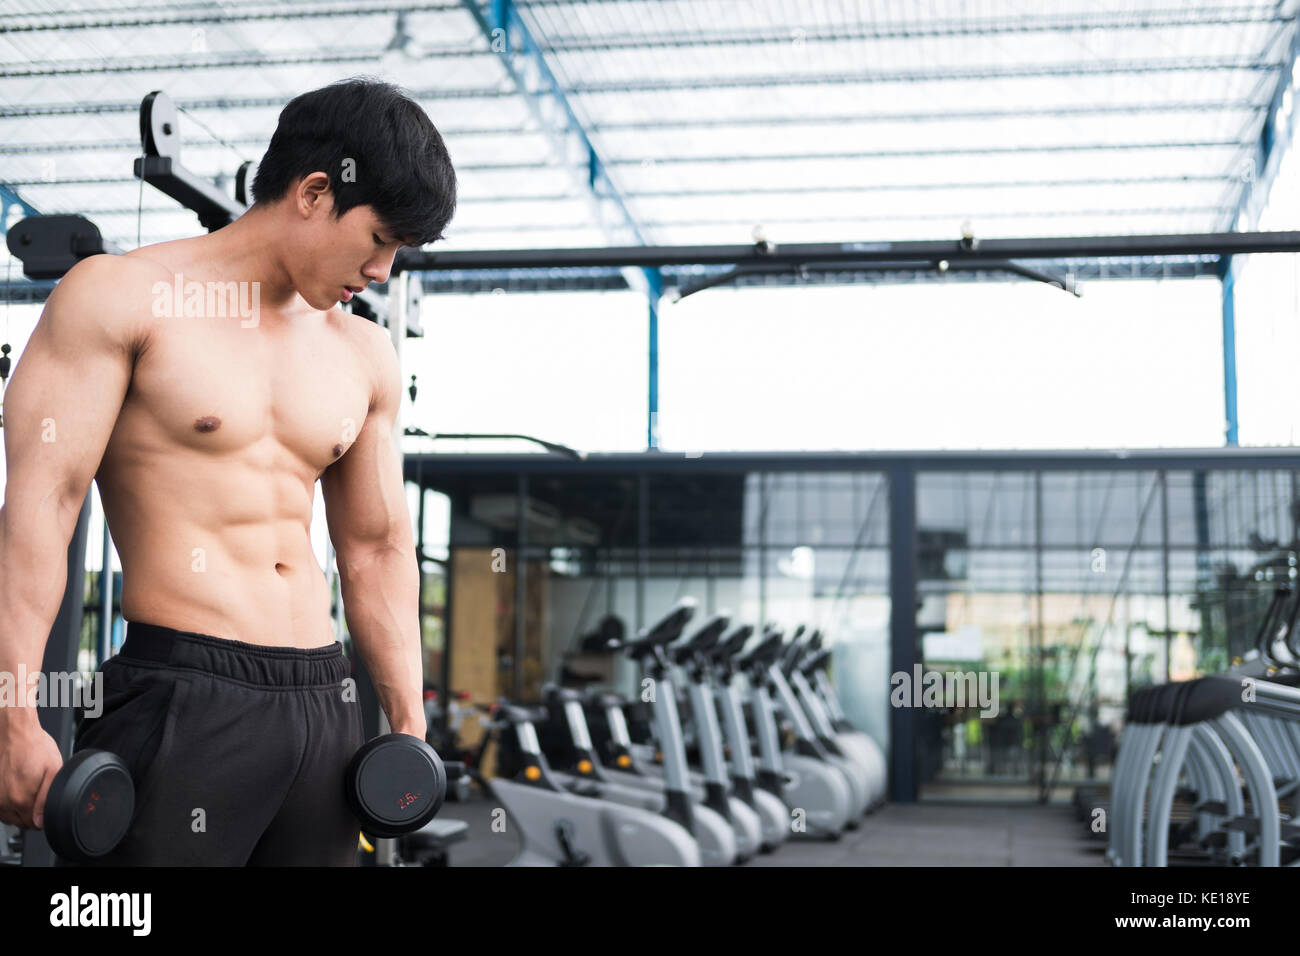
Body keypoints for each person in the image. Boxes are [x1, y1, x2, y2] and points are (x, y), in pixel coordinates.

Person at [0, 77, 457, 865]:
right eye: (378, 239)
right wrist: (13, 715)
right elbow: (43, 508)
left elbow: (378, 549)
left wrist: (405, 719)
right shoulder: (120, 297)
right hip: (183, 693)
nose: (382, 271)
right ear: (316, 193)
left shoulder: (361, 352)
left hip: (325, 704)